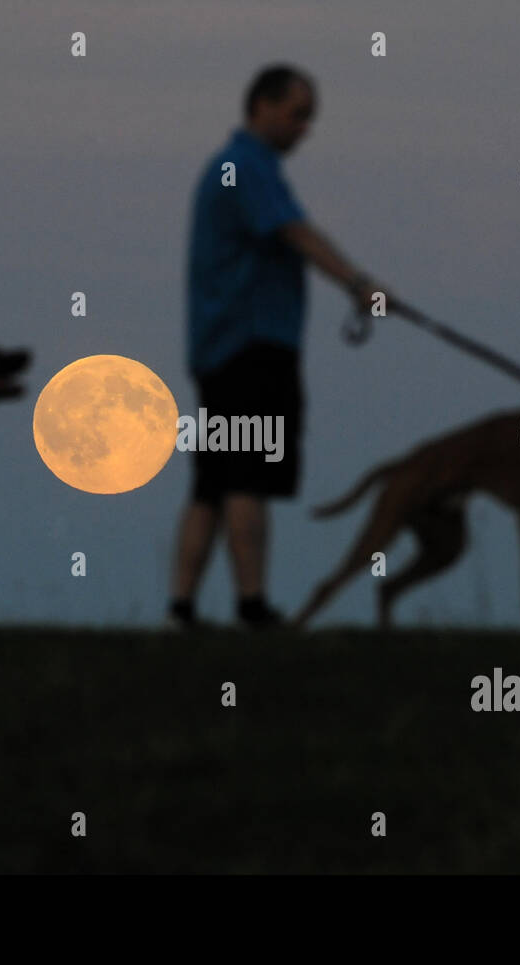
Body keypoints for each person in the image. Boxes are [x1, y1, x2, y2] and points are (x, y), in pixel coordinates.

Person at [166, 63, 391, 630]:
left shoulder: (233, 167)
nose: (305, 129)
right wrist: (360, 284)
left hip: (218, 348)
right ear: (261, 106)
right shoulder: (246, 168)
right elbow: (295, 232)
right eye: (298, 115)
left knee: (212, 484)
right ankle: (253, 607)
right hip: (252, 345)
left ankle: (182, 610)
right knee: (247, 478)